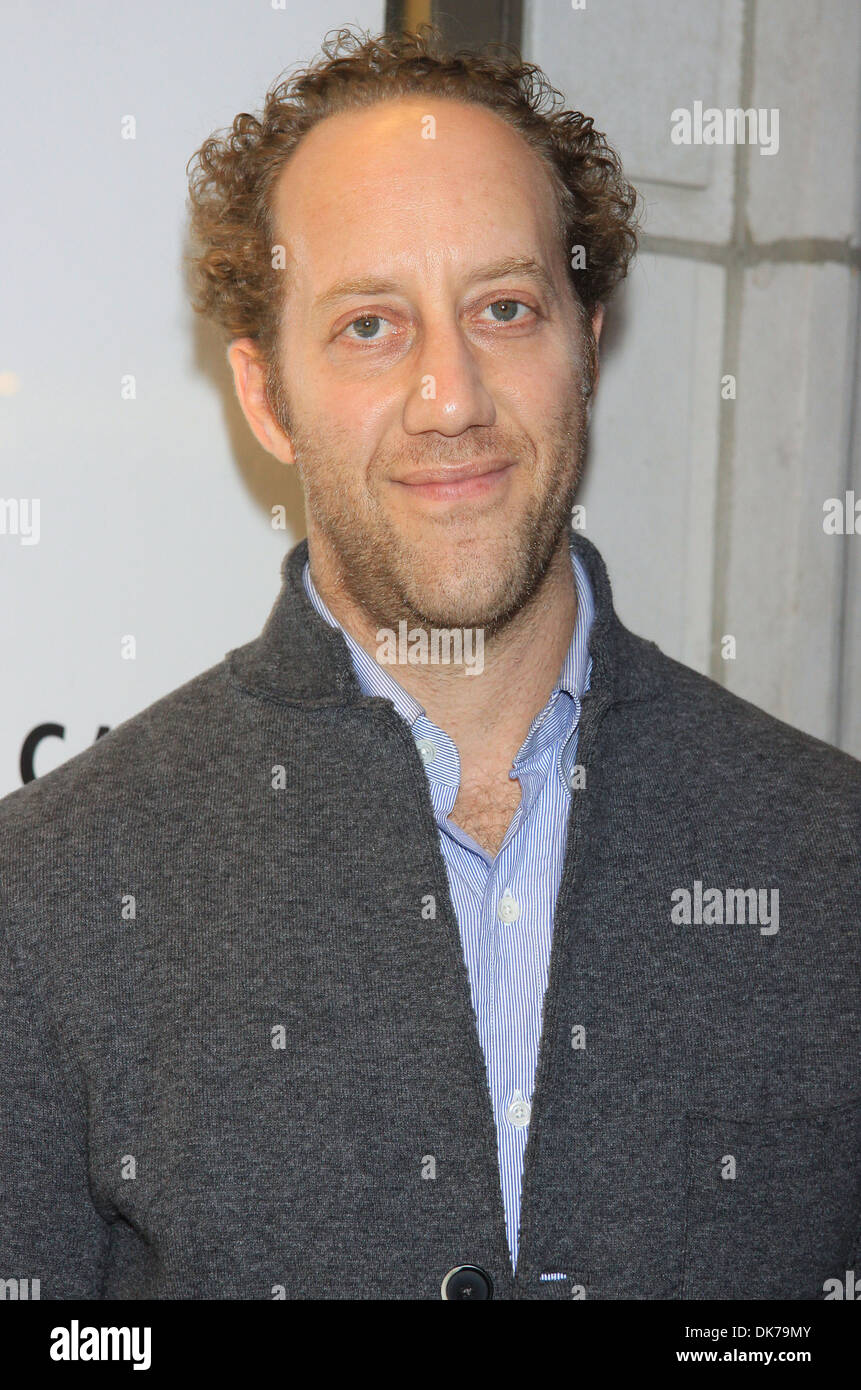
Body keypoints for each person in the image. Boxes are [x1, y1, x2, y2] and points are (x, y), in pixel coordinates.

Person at [1, 26, 858, 1302]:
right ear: (265, 393)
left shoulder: (828, 858)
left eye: (505, 309)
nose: (449, 394)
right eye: (367, 325)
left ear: (587, 344)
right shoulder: (50, 894)